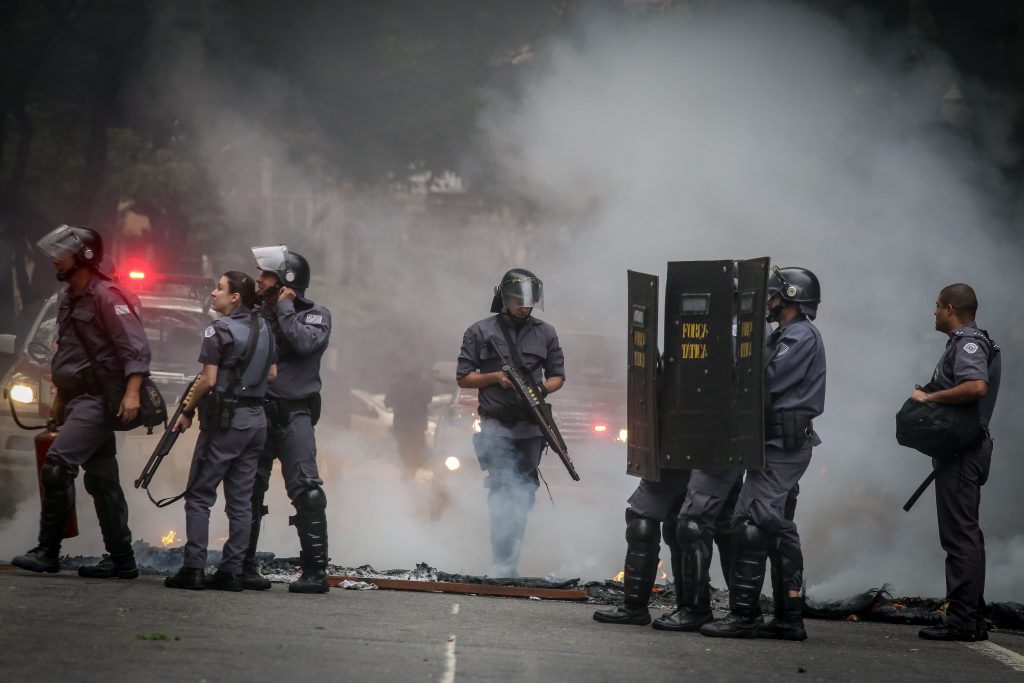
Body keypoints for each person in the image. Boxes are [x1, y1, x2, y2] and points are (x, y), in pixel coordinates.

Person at [12, 225, 151, 578]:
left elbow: (135, 348)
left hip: (97, 399)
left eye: (63, 254)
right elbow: (70, 354)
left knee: (57, 466)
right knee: (102, 480)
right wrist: (60, 398)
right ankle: (122, 560)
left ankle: (48, 551)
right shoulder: (69, 299)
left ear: (84, 257)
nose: (56, 261)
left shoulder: (108, 296)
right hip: (77, 397)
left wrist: (132, 392)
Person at [701, 266, 825, 641]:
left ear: (790, 297)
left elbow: (763, 379)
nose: (767, 303)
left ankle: (746, 617)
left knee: (750, 525)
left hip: (783, 447)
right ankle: (789, 618)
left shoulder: (799, 337)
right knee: (770, 526)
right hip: (768, 444)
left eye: (772, 296)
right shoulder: (783, 335)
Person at [165, 271, 276, 591]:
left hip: (227, 422)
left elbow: (208, 380)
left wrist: (186, 410)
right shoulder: (265, 327)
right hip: (256, 421)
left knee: (199, 496)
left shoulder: (219, 329)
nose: (213, 293)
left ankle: (194, 569)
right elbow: (272, 373)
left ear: (235, 297)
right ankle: (231, 572)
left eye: (219, 288)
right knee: (241, 501)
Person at [456, 268, 565, 577]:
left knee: (524, 492)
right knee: (502, 490)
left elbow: (558, 376)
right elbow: (464, 378)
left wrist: (541, 389)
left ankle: (511, 554)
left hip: (532, 426)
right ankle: (502, 563)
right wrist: (495, 378)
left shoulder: (546, 333)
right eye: (519, 301)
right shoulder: (479, 331)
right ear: (505, 298)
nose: (525, 307)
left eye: (529, 302)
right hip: (496, 427)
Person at [242, 246, 333, 594]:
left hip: (295, 413)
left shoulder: (315, 314)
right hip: (256, 412)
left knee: (308, 493)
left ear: (285, 282)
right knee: (248, 489)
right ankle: (242, 567)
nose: (259, 281)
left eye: (266, 276)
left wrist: (283, 306)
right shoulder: (252, 314)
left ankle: (314, 572)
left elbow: (304, 343)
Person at [914, 284, 1000, 642]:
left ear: (950, 309)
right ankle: (971, 616)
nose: (933, 311)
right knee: (965, 535)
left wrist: (930, 397)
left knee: (960, 537)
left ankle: (963, 620)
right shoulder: (968, 341)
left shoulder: (968, 342)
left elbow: (976, 386)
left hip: (964, 455)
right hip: (963, 452)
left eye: (937, 306)